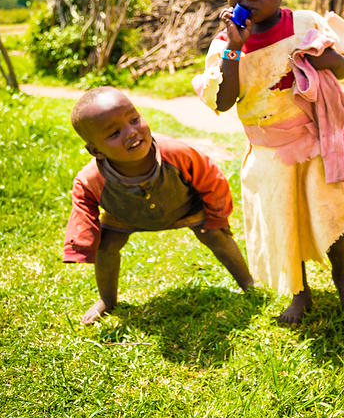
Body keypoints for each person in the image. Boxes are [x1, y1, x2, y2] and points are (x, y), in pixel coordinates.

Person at [192, 0, 344, 325]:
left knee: (328, 211)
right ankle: (299, 291)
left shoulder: (304, 22)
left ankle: (342, 277)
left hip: (316, 142)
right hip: (269, 152)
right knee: (283, 220)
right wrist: (235, 49)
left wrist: (323, 59)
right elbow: (222, 101)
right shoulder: (224, 45)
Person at [63, 87, 254, 325]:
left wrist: (216, 217)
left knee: (216, 235)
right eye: (114, 133)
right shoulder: (92, 178)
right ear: (95, 150)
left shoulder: (176, 153)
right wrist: (81, 245)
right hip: (125, 215)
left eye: (134, 120)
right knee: (107, 247)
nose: (131, 132)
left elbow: (211, 179)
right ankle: (107, 300)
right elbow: (82, 207)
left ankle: (248, 284)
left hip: (184, 206)